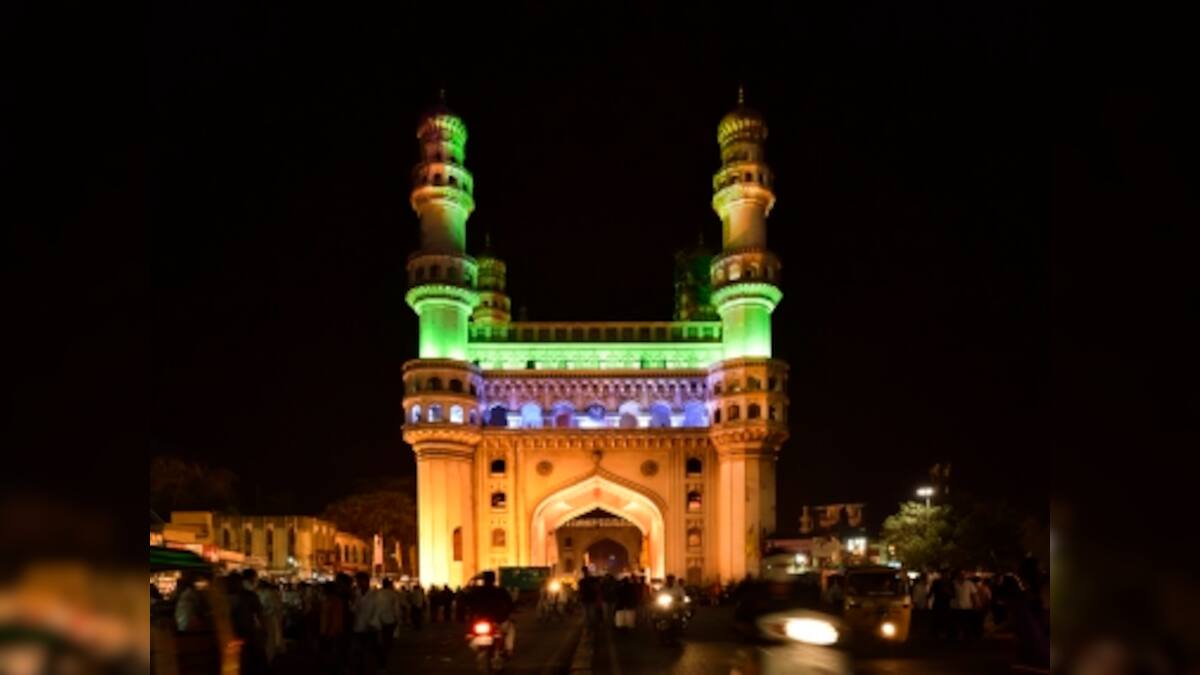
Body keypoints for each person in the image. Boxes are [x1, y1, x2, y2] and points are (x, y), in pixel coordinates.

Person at [464, 570, 517, 657]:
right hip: (499, 619)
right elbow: (509, 603)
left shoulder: (476, 591)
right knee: (511, 629)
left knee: (471, 634)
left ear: (484, 580)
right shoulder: (500, 591)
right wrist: (510, 610)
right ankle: (508, 649)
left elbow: (467, 601)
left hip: (480, 620)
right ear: (494, 579)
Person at [372, 578, 401, 668]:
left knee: (378, 641)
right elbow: (396, 609)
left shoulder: (376, 594)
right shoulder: (393, 594)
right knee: (387, 641)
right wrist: (398, 620)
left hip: (377, 620)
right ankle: (383, 660)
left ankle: (378, 659)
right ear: (389, 585)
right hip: (389, 620)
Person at [257, 579, 285, 664]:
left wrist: (265, 612)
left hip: (269, 618)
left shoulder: (267, 594)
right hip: (268, 618)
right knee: (271, 637)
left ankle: (270, 656)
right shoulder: (268, 593)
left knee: (270, 637)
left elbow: (274, 607)